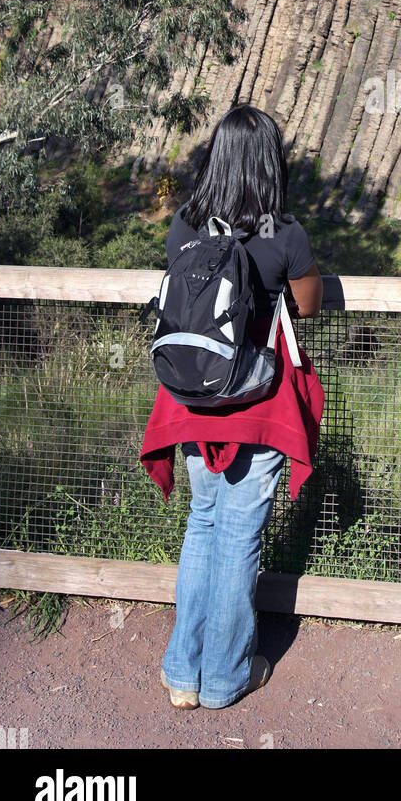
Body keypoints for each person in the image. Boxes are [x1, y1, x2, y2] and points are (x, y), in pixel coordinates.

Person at [139, 104, 324, 711]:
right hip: (255, 407)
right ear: (270, 164)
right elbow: (309, 305)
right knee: (240, 537)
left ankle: (181, 673)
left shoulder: (185, 224)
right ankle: (225, 677)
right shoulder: (283, 235)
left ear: (217, 155)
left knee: (203, 526)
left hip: (191, 402)